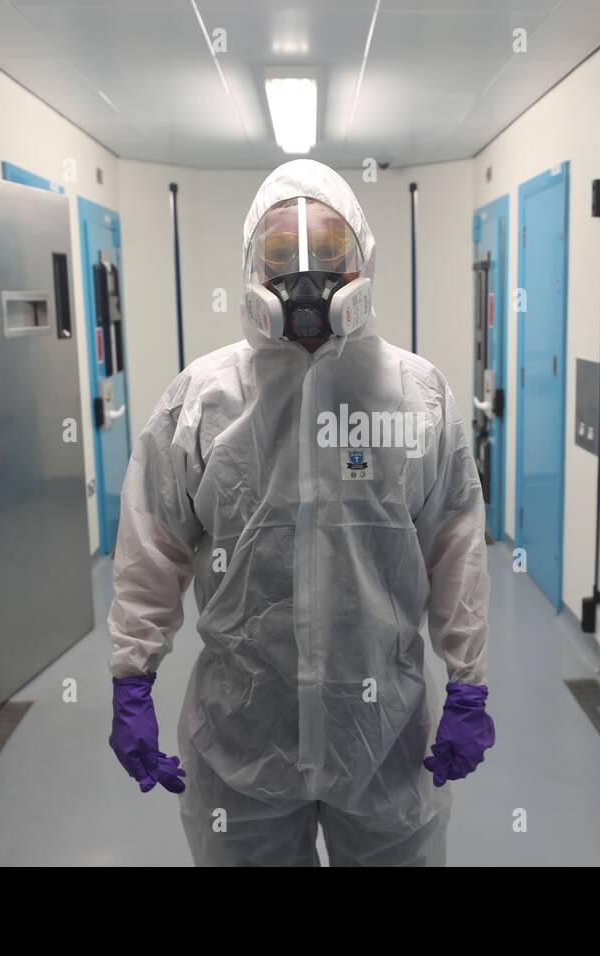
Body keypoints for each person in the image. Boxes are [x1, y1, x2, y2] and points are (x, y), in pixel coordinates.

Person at [106, 159, 494, 866]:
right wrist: (133, 676)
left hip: (383, 733)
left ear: (362, 258)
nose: (306, 278)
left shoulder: (417, 396)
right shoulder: (205, 397)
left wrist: (467, 682)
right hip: (243, 737)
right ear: (253, 265)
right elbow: (151, 545)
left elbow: (456, 546)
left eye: (329, 252)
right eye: (281, 254)